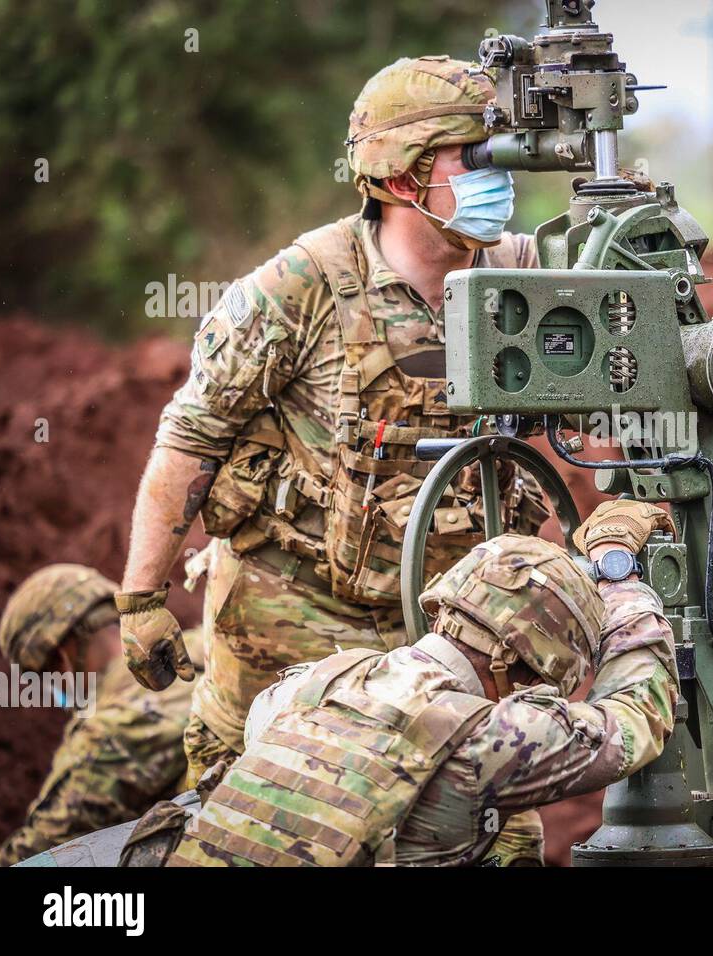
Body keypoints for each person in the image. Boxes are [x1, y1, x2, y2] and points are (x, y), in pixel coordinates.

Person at [114, 54, 549, 819]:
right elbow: (192, 436)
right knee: (263, 834)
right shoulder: (298, 287)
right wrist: (141, 596)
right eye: (475, 155)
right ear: (405, 173)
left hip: (454, 648)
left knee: (486, 838)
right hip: (290, 650)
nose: (499, 176)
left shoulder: (526, 277)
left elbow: (616, 397)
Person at [168, 501, 679, 866]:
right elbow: (641, 713)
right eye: (541, 680)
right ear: (516, 665)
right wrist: (620, 577)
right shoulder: (493, 742)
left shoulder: (313, 684)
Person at [0, 565, 201, 866]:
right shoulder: (205, 648)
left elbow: (42, 850)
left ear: (62, 656)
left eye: (44, 676)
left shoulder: (111, 730)